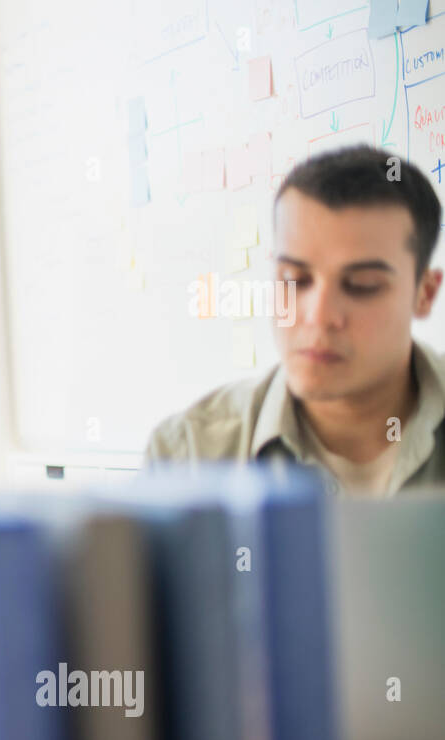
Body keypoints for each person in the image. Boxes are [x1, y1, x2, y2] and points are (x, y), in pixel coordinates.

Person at [144, 145, 445, 495]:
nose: (318, 317)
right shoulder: (187, 459)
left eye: (362, 286)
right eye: (294, 279)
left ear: (424, 293)